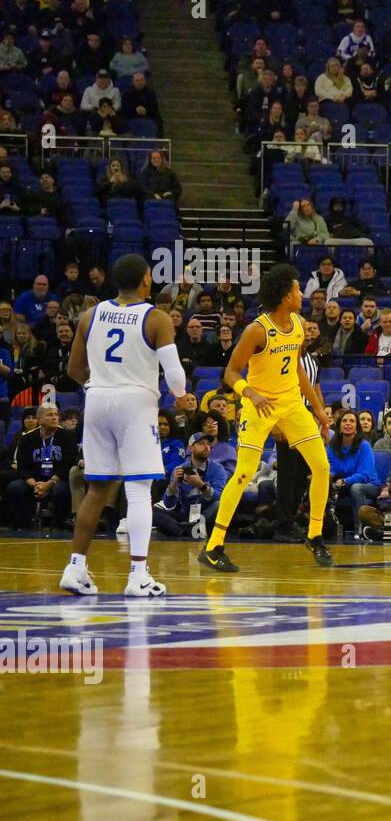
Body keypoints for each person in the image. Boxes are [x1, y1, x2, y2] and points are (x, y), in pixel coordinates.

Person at [58, 254, 186, 596]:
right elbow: (175, 378)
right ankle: (138, 576)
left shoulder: (90, 314)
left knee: (97, 488)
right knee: (140, 488)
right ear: (146, 280)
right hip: (135, 402)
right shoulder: (156, 317)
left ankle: (75, 567)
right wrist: (181, 393)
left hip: (97, 398)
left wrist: (98, 384)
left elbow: (73, 369)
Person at [199, 264, 333, 572]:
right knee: (244, 473)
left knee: (322, 467)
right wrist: (250, 393)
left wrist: (318, 411)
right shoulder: (256, 330)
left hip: (291, 405)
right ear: (287, 296)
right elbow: (230, 373)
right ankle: (214, 545)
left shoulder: (299, 323)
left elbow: (298, 370)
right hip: (259, 406)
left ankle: (315, 535)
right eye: (299, 289)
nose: (303, 294)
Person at [6, 402, 75, 532]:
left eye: (56, 414)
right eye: (50, 415)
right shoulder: (27, 438)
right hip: (34, 480)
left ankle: (58, 526)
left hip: (58, 479)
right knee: (15, 487)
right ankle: (25, 525)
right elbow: (23, 467)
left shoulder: (67, 436)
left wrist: (49, 483)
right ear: (40, 420)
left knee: (61, 490)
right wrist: (34, 484)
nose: (55, 417)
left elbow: (68, 464)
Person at [152, 432, 229, 538]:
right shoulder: (179, 469)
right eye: (201, 443)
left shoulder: (218, 469)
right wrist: (173, 485)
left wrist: (201, 485)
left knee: (219, 505)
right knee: (152, 511)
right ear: (191, 448)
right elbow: (168, 504)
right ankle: (185, 531)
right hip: (187, 514)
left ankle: (182, 529)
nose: (207, 447)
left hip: (206, 513)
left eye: (208, 444)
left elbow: (220, 496)